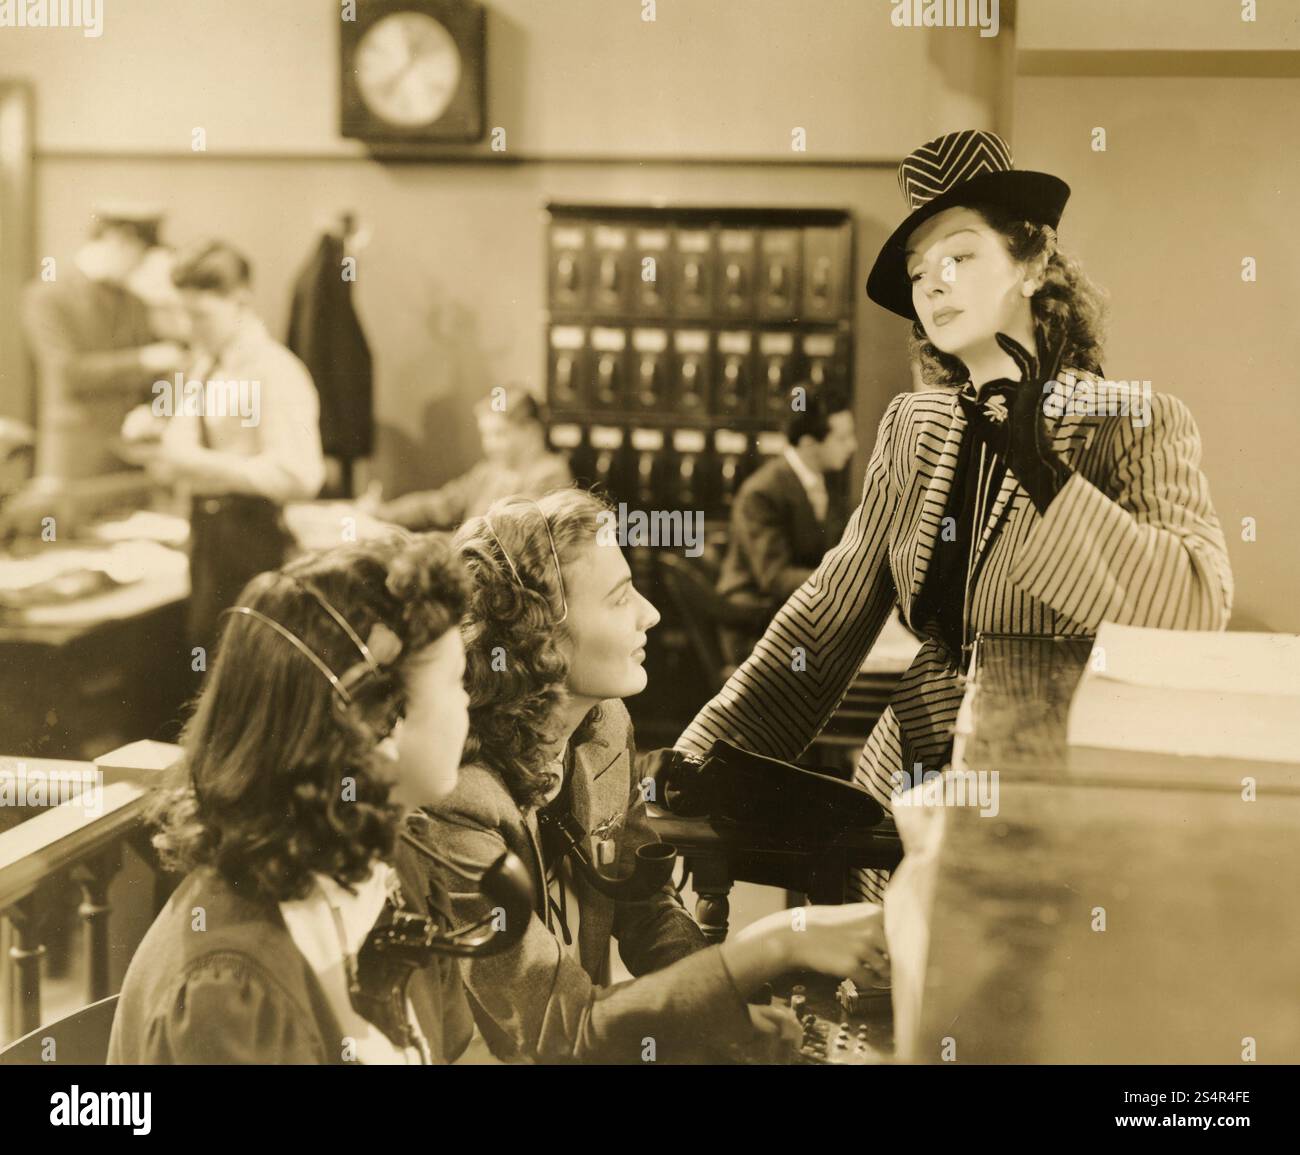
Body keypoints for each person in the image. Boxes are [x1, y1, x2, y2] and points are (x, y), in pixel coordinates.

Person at [674, 129, 1234, 904]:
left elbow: (1194, 610)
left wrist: (1045, 475)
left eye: (960, 257)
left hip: (1048, 798)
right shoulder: (913, 427)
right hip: (900, 783)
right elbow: (825, 619)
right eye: (917, 272)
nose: (933, 284)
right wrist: (701, 757)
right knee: (876, 998)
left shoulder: (1131, 421)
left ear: (1034, 263)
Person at [406, 488, 891, 1064]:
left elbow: (644, 902)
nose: (651, 614)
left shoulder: (604, 724)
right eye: (619, 599)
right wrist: (777, 942)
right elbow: (560, 1035)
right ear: (542, 643)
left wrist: (727, 1013)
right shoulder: (455, 801)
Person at [108, 532, 476, 1064]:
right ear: (380, 724)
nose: (466, 703)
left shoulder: (392, 865)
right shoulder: (229, 987)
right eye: (456, 682)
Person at [122, 239, 326, 651]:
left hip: (250, 542)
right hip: (207, 539)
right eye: (184, 313)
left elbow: (301, 475)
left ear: (241, 302)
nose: (190, 328)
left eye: (201, 315)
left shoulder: (276, 372)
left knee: (237, 668)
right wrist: (159, 437)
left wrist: (196, 463)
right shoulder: (207, 364)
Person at [18, 204, 183, 483]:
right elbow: (68, 373)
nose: (139, 267)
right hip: (76, 458)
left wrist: (154, 409)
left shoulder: (136, 303)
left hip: (131, 457)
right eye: (139, 256)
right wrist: (143, 360)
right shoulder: (46, 297)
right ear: (118, 239)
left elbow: (163, 373)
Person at [716, 383, 858, 665]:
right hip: (756, 629)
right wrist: (847, 581)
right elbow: (775, 577)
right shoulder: (763, 491)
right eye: (842, 438)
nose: (852, 446)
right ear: (808, 444)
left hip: (800, 617)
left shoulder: (825, 480)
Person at [371, 386, 571, 531]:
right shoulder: (490, 471)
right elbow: (441, 504)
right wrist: (382, 513)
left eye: (499, 434)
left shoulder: (550, 476)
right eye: (485, 435)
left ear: (531, 431)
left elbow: (503, 537)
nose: (489, 444)